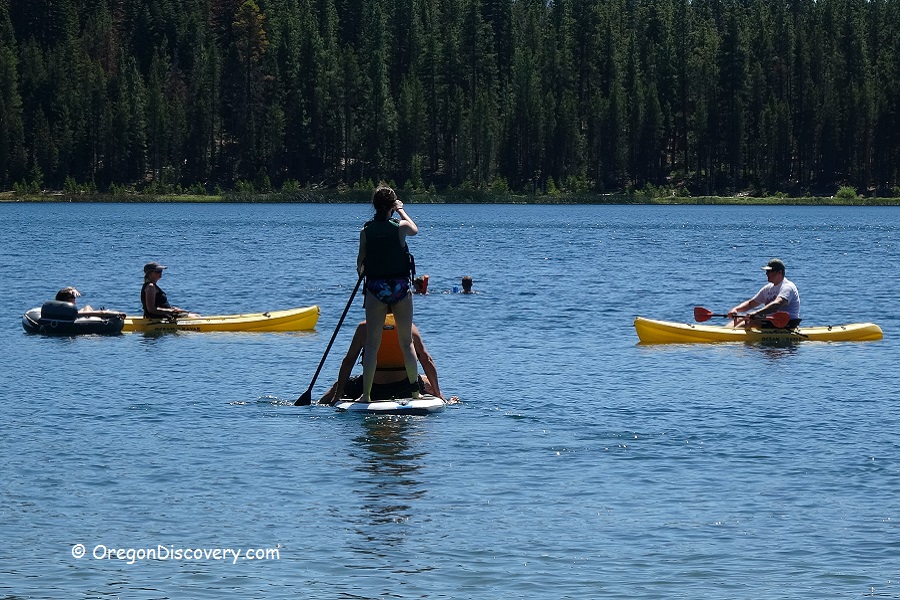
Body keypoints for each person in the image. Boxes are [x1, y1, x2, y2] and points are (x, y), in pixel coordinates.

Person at [356, 185, 418, 403]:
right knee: (406, 342)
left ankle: (366, 395)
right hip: (400, 288)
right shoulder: (400, 227)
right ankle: (414, 392)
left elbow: (360, 265)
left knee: (372, 343)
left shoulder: (366, 231)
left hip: (376, 289)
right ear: (392, 205)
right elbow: (415, 229)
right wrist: (401, 210)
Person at [318, 313, 454, 405]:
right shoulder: (410, 328)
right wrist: (438, 394)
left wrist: (338, 394)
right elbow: (426, 359)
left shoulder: (364, 328)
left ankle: (319, 403)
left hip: (371, 388)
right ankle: (448, 400)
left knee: (336, 386)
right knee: (427, 381)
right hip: (405, 386)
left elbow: (348, 362)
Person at [727, 258, 801, 328]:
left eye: (769, 271)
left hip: (786, 324)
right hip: (770, 321)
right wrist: (736, 309)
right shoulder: (768, 288)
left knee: (751, 321)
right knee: (739, 318)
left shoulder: (788, 287)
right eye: (766, 271)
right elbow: (750, 304)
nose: (766, 274)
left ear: (779, 272)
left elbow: (777, 304)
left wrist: (756, 313)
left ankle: (730, 338)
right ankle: (725, 332)